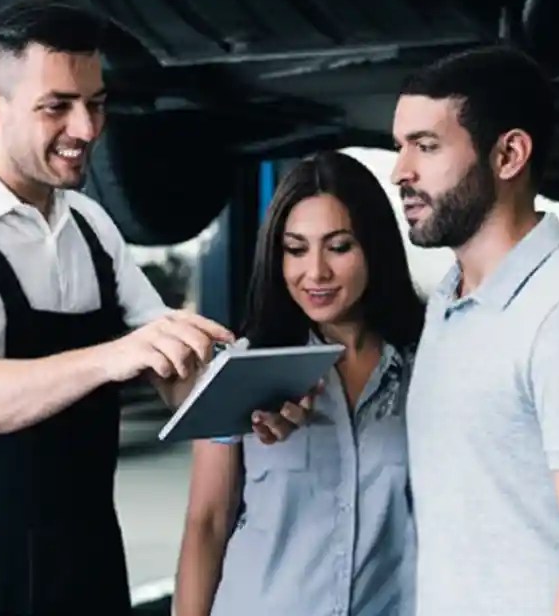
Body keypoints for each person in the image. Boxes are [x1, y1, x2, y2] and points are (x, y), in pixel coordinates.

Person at [0, 0, 313, 616]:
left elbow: (166, 361)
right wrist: (111, 358)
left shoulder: (89, 225)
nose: (85, 129)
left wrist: (241, 400)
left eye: (96, 103)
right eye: (56, 107)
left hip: (86, 554)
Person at [390, 45, 559, 615]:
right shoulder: (448, 298)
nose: (400, 172)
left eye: (426, 147)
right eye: (400, 147)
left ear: (508, 154)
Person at [173, 151, 426, 616]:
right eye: (295, 249)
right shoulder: (241, 369)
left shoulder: (425, 367)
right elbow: (206, 523)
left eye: (339, 246)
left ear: (375, 247)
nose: (315, 273)